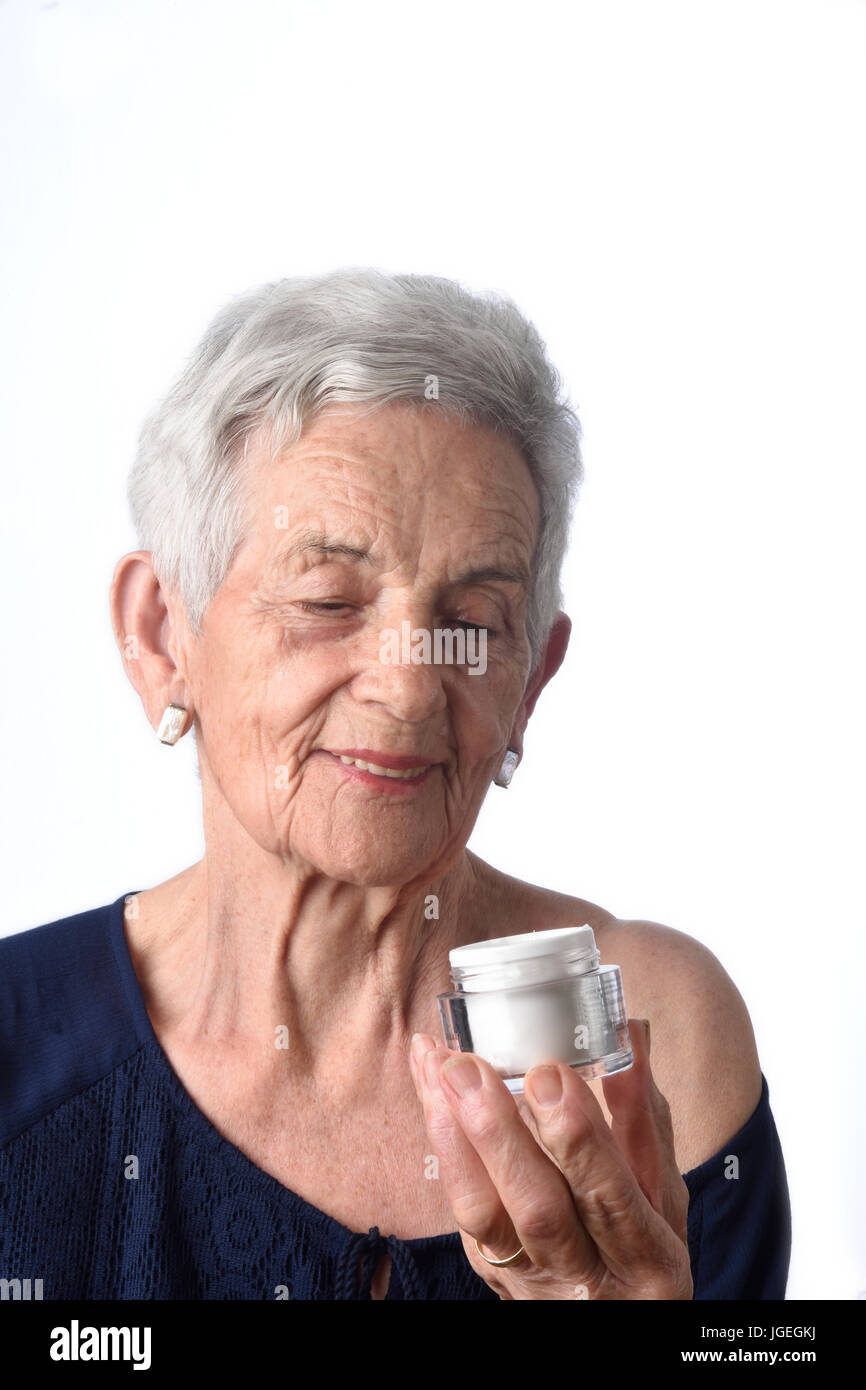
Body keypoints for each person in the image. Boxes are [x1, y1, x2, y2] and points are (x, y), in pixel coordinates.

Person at [0, 268, 790, 1299]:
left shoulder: (648, 1038)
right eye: (327, 599)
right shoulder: (23, 1052)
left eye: (470, 620)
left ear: (530, 679)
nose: (411, 687)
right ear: (162, 634)